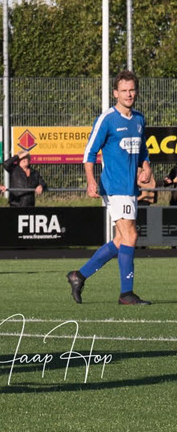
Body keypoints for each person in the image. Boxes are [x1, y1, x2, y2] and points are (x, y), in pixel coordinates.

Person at [67, 70, 152, 306]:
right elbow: (89, 153)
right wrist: (91, 180)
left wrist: (147, 167)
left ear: (136, 91)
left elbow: (143, 150)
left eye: (132, 90)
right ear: (115, 93)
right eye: (123, 90)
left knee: (120, 240)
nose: (128, 94)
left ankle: (79, 275)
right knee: (131, 235)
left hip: (129, 187)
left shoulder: (139, 119)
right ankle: (126, 294)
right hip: (114, 186)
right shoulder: (107, 119)